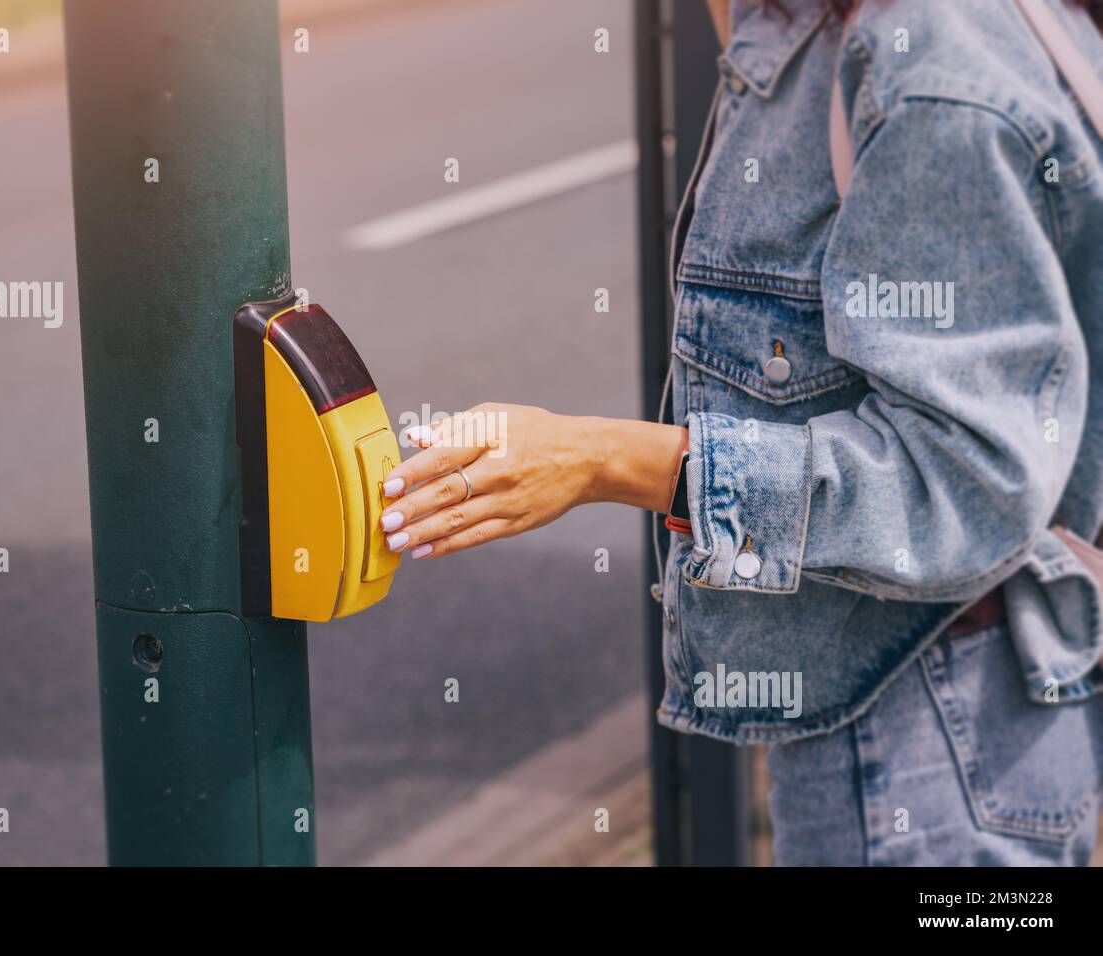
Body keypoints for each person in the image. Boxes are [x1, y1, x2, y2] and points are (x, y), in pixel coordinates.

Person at [378, 0, 1103, 865]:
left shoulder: (928, 45)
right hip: (923, 717)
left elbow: (961, 477)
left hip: (924, 750)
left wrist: (596, 460)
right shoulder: (811, 27)